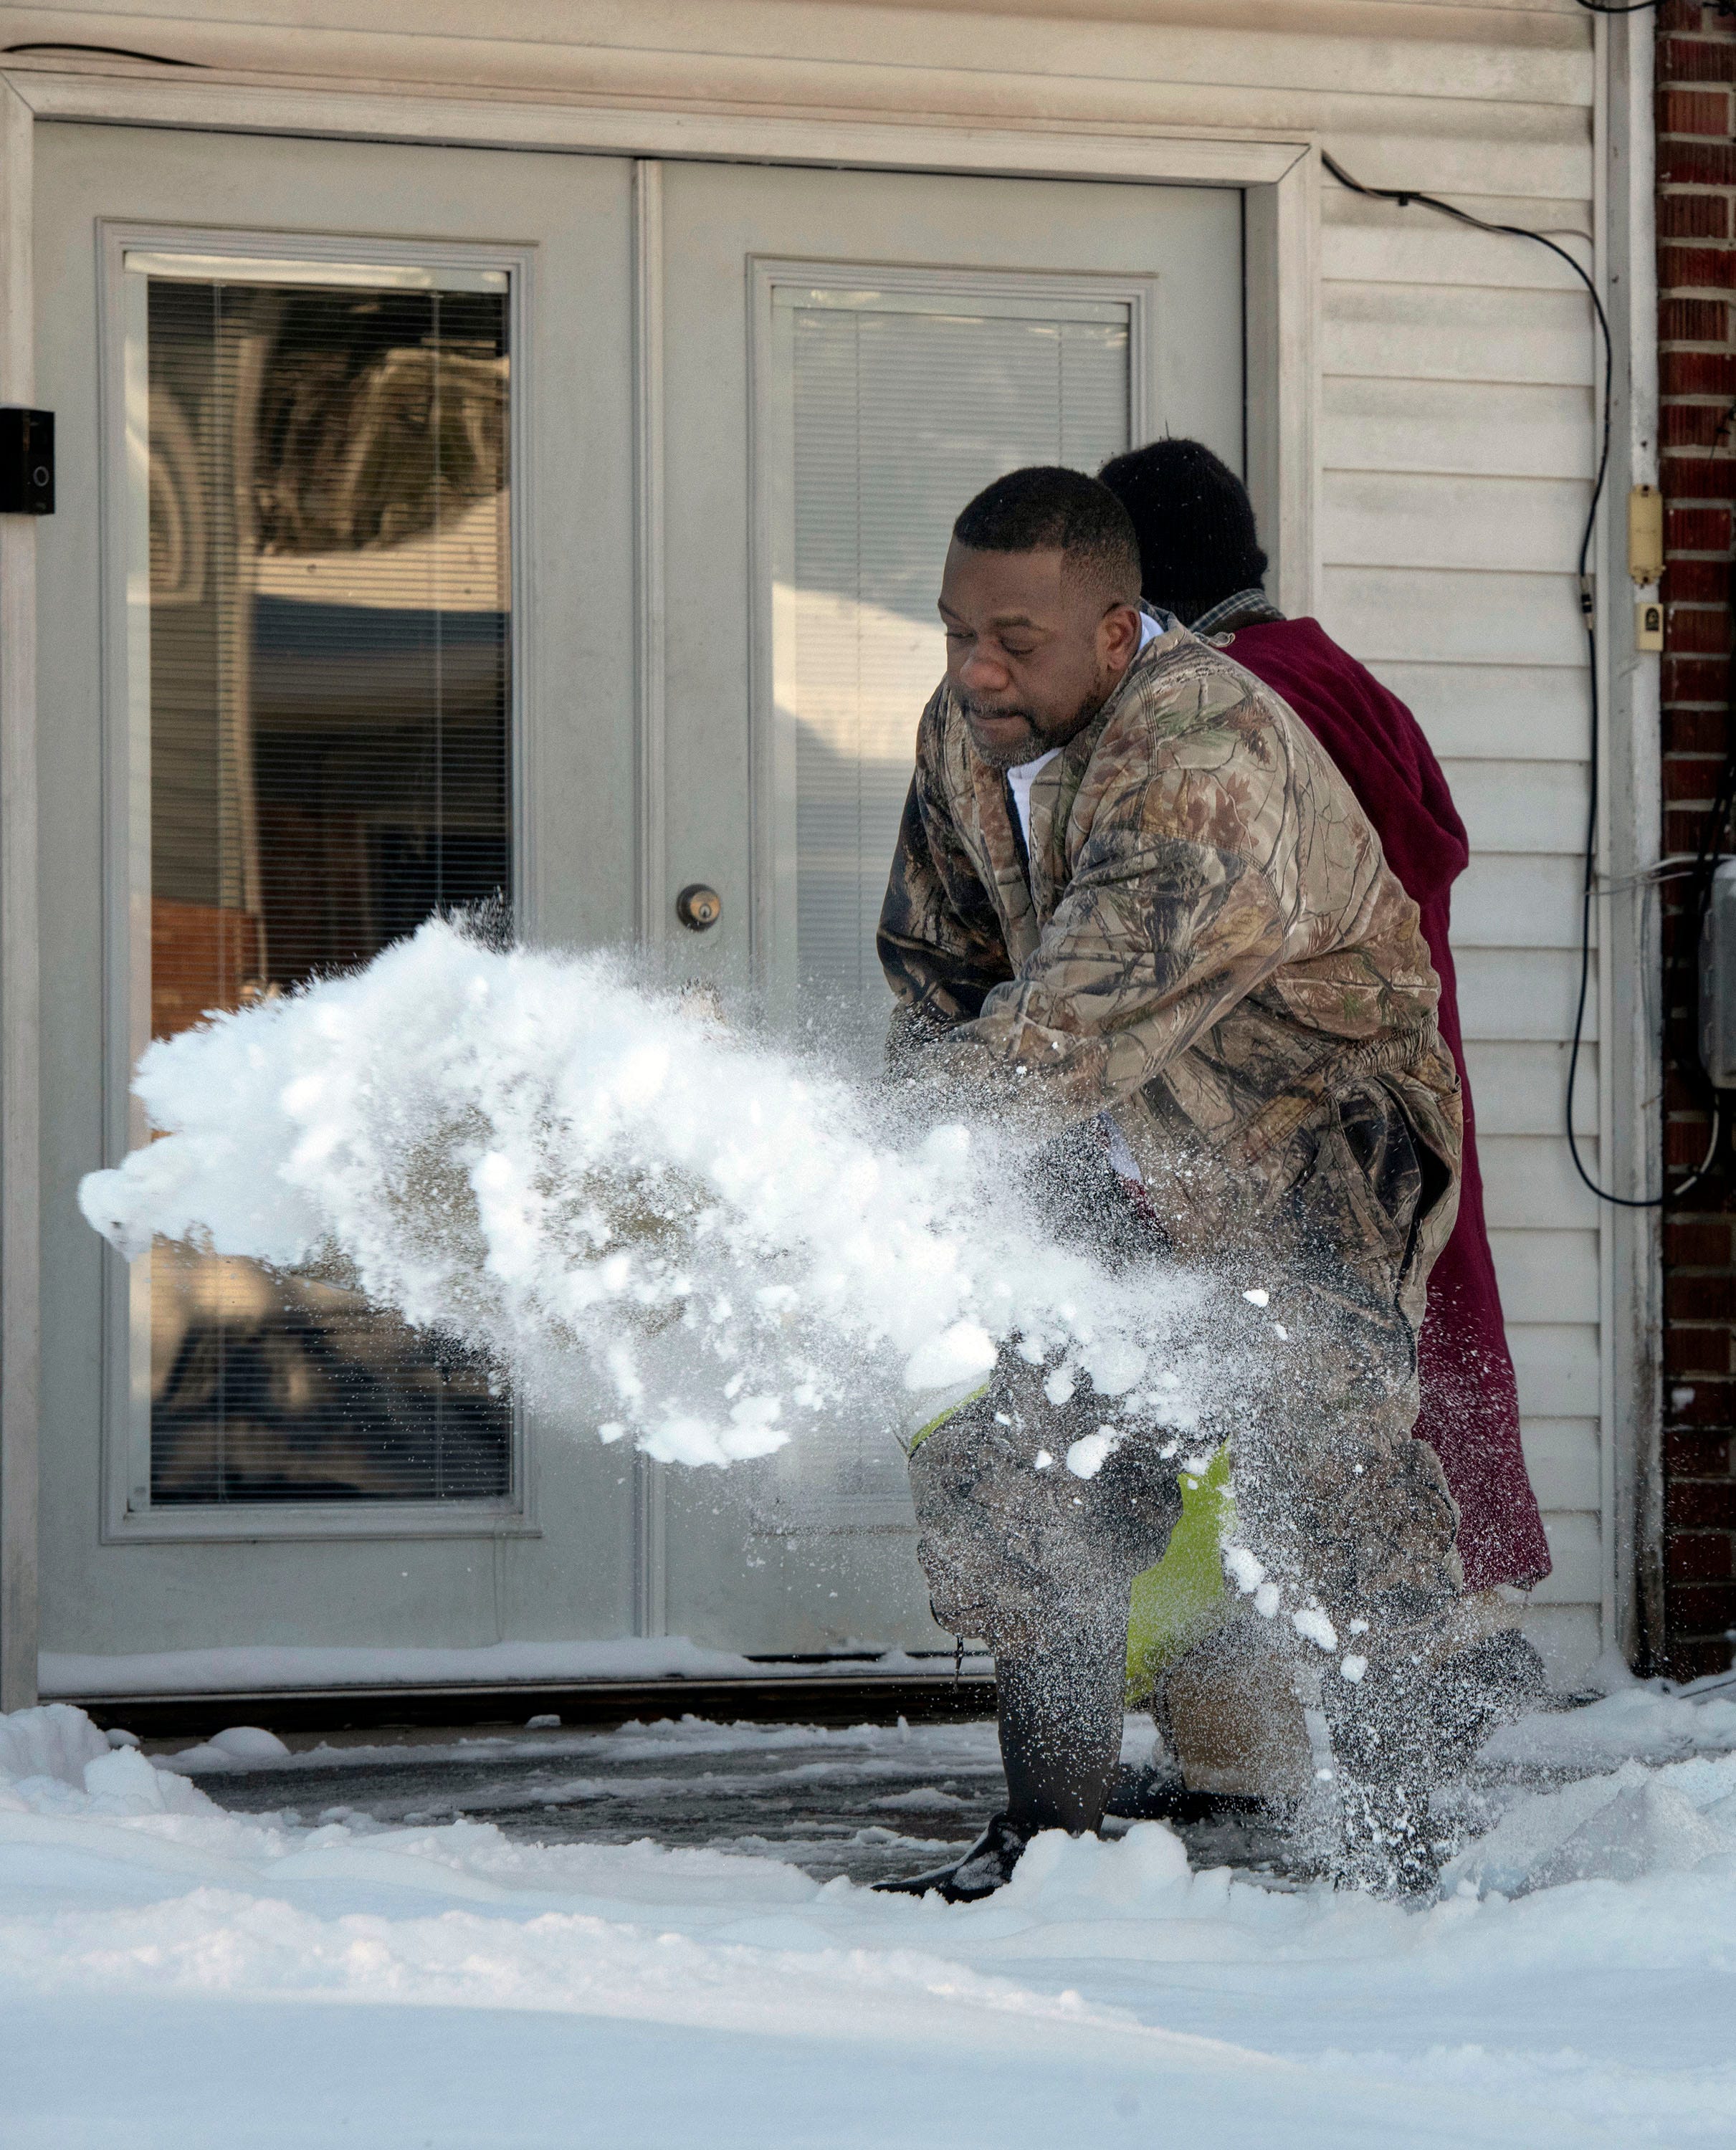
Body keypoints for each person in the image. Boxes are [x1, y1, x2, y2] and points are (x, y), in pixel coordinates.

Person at [874, 466, 1472, 1901]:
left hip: (1306, 1131)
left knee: (1330, 1473)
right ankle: (1047, 1850)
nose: (974, 667)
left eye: (1013, 639)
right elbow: (936, 968)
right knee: (1023, 1459)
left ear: (1114, 629)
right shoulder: (965, 730)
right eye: (955, 630)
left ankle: (1413, 1863)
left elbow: (1078, 1020)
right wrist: (930, 1138)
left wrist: (855, 1159)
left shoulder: (1204, 757)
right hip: (1091, 1123)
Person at [1096, 439, 1550, 1606]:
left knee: (1282, 1410)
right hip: (1398, 1091)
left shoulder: (1234, 708)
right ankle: (1441, 1639)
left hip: (1284, 1114)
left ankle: (1284, 1741)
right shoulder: (1334, 676)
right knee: (1395, 1367)